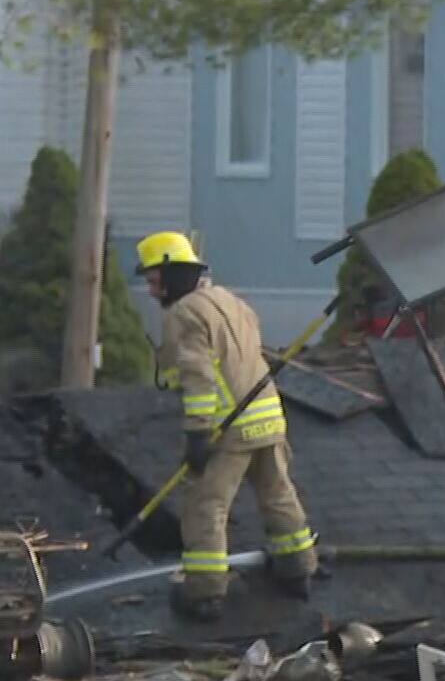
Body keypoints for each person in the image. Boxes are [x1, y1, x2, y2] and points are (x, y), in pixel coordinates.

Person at [134, 231, 325, 621]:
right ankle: (298, 569)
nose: (152, 292)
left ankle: (204, 593)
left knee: (206, 505)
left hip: (228, 427)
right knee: (278, 494)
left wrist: (199, 432)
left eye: (154, 281)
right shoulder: (233, 303)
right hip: (268, 415)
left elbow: (198, 375)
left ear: (173, 275)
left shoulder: (184, 313)